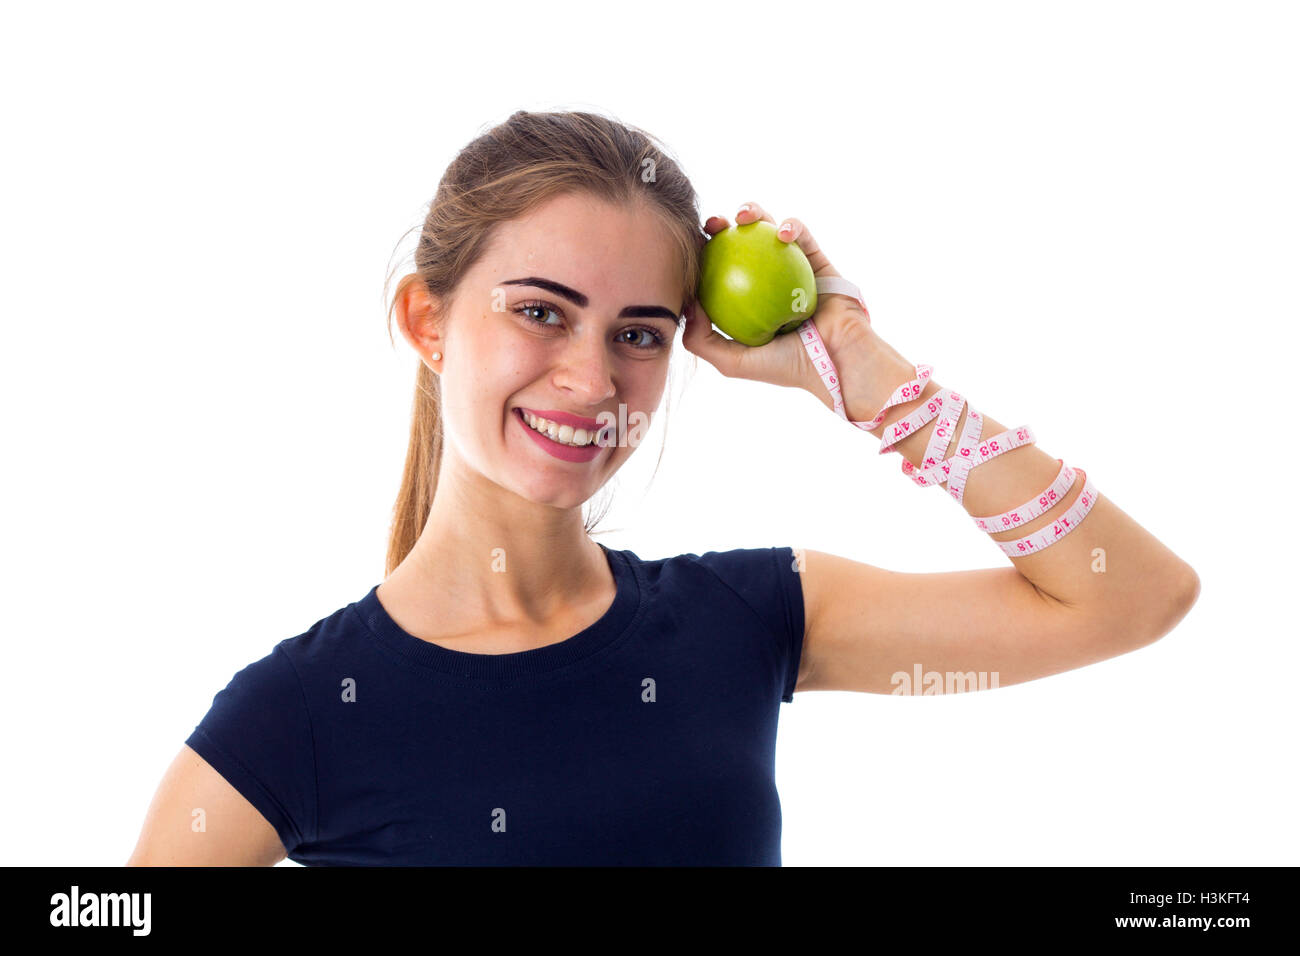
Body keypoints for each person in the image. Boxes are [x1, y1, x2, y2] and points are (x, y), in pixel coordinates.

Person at [127, 109, 1200, 866]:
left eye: (637, 332)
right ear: (427, 321)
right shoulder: (296, 716)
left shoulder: (750, 619)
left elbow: (1129, 594)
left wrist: (867, 374)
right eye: (540, 311)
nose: (593, 379)